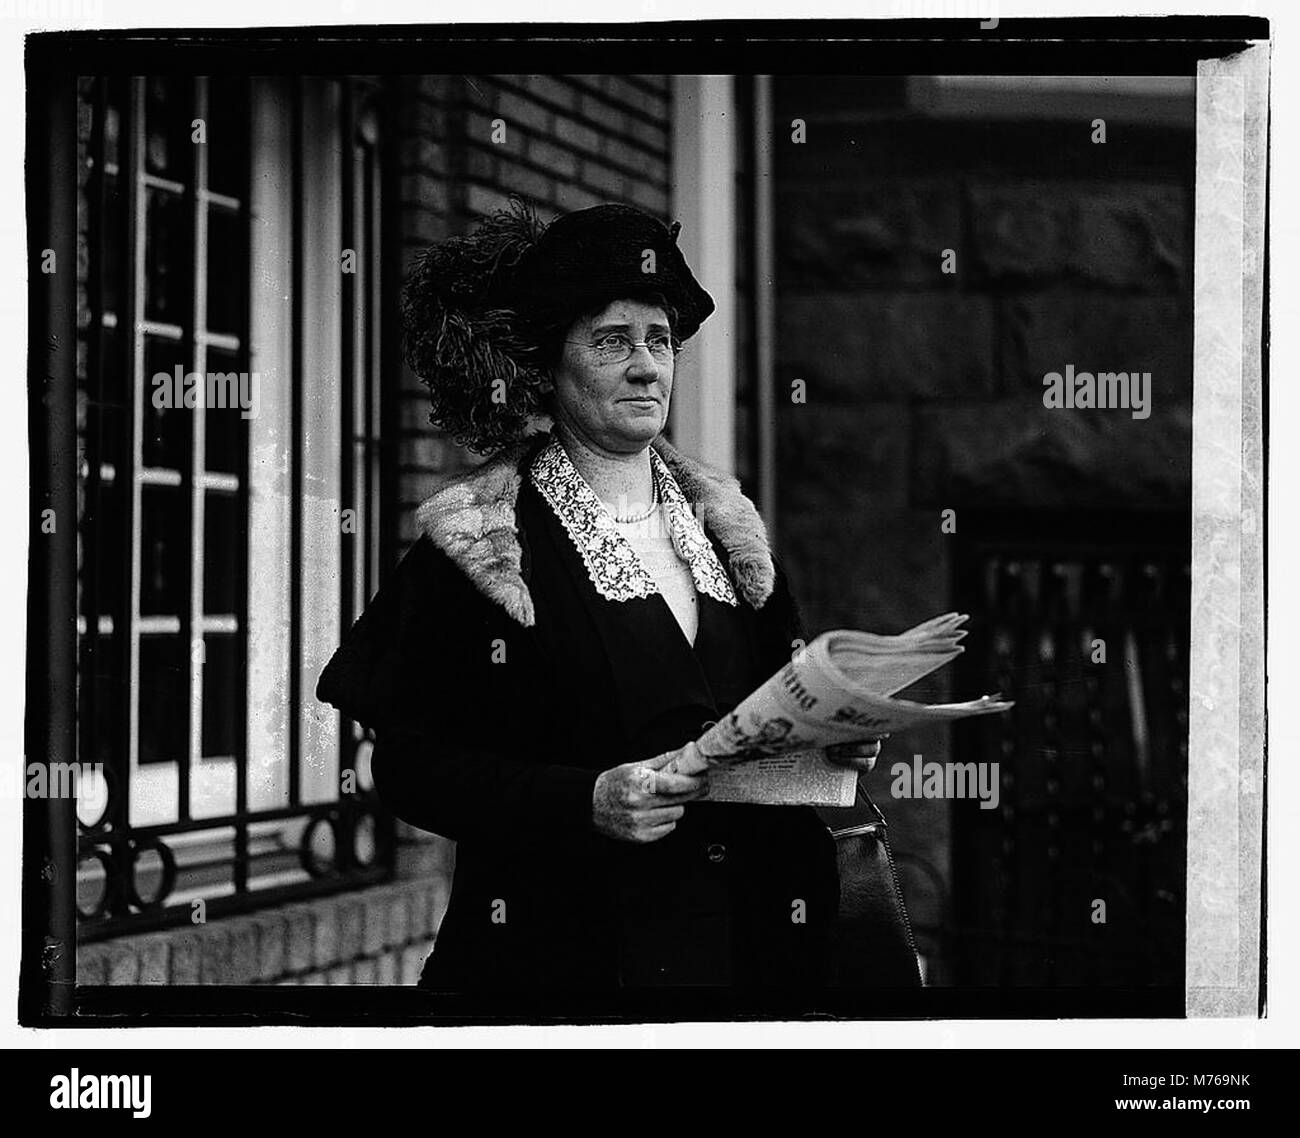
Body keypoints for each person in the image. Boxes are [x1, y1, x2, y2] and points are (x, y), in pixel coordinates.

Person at [317, 201, 888, 995]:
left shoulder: (730, 534)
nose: (648, 365)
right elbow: (411, 767)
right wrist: (581, 800)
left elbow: (766, 719)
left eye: (660, 341)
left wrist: (832, 749)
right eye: (613, 341)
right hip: (556, 966)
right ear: (549, 365)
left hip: (739, 963)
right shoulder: (482, 544)